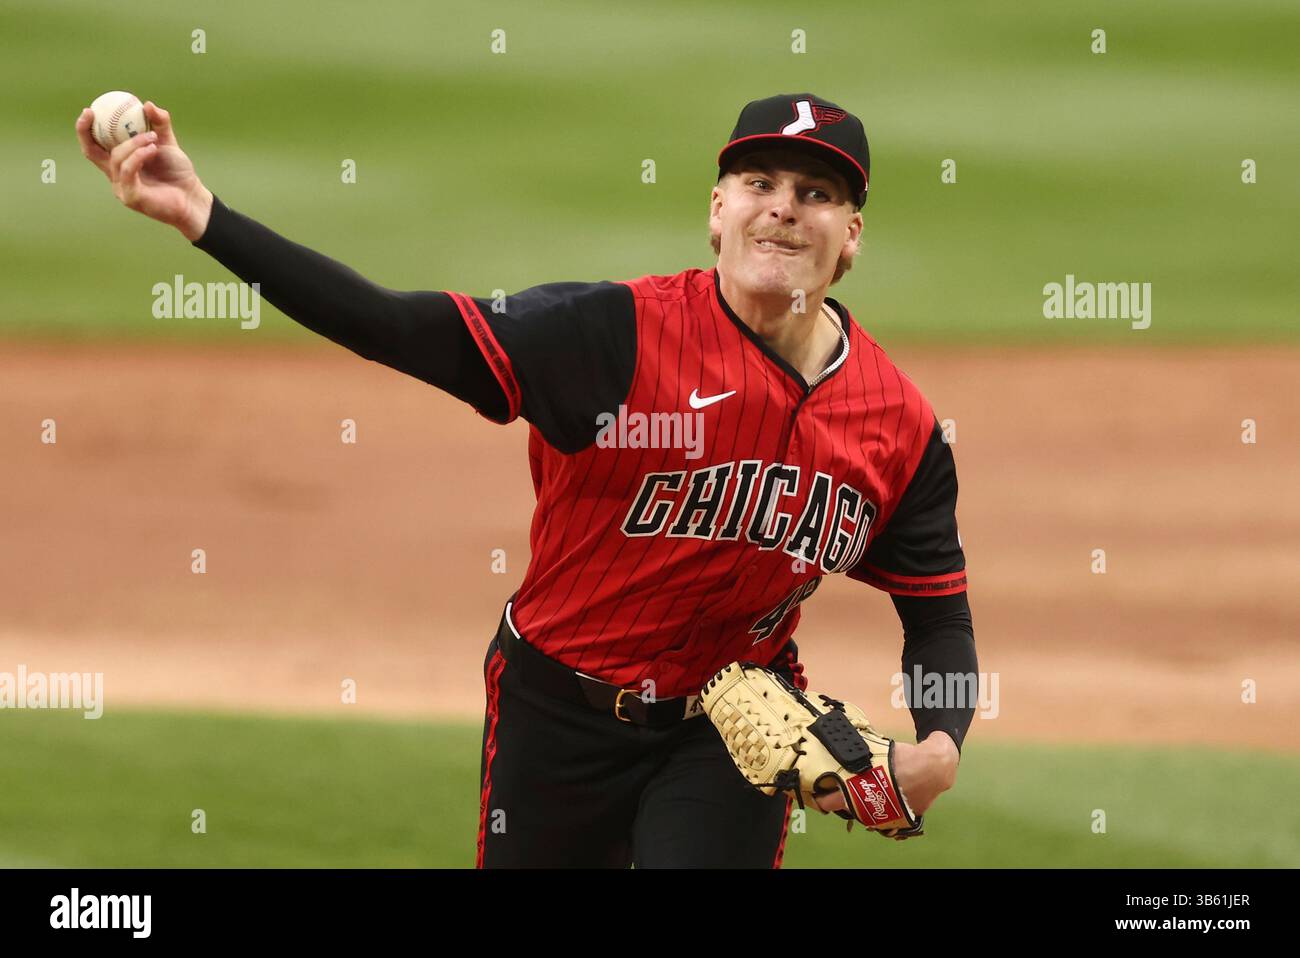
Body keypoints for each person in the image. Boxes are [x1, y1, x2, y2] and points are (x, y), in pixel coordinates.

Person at [77, 91, 977, 868]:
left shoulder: (896, 423)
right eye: (760, 185)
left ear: (850, 235)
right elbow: (392, 324)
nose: (783, 209)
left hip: (731, 726)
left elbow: (936, 611)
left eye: (815, 194)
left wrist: (939, 747)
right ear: (716, 210)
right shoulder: (608, 334)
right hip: (557, 710)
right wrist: (204, 216)